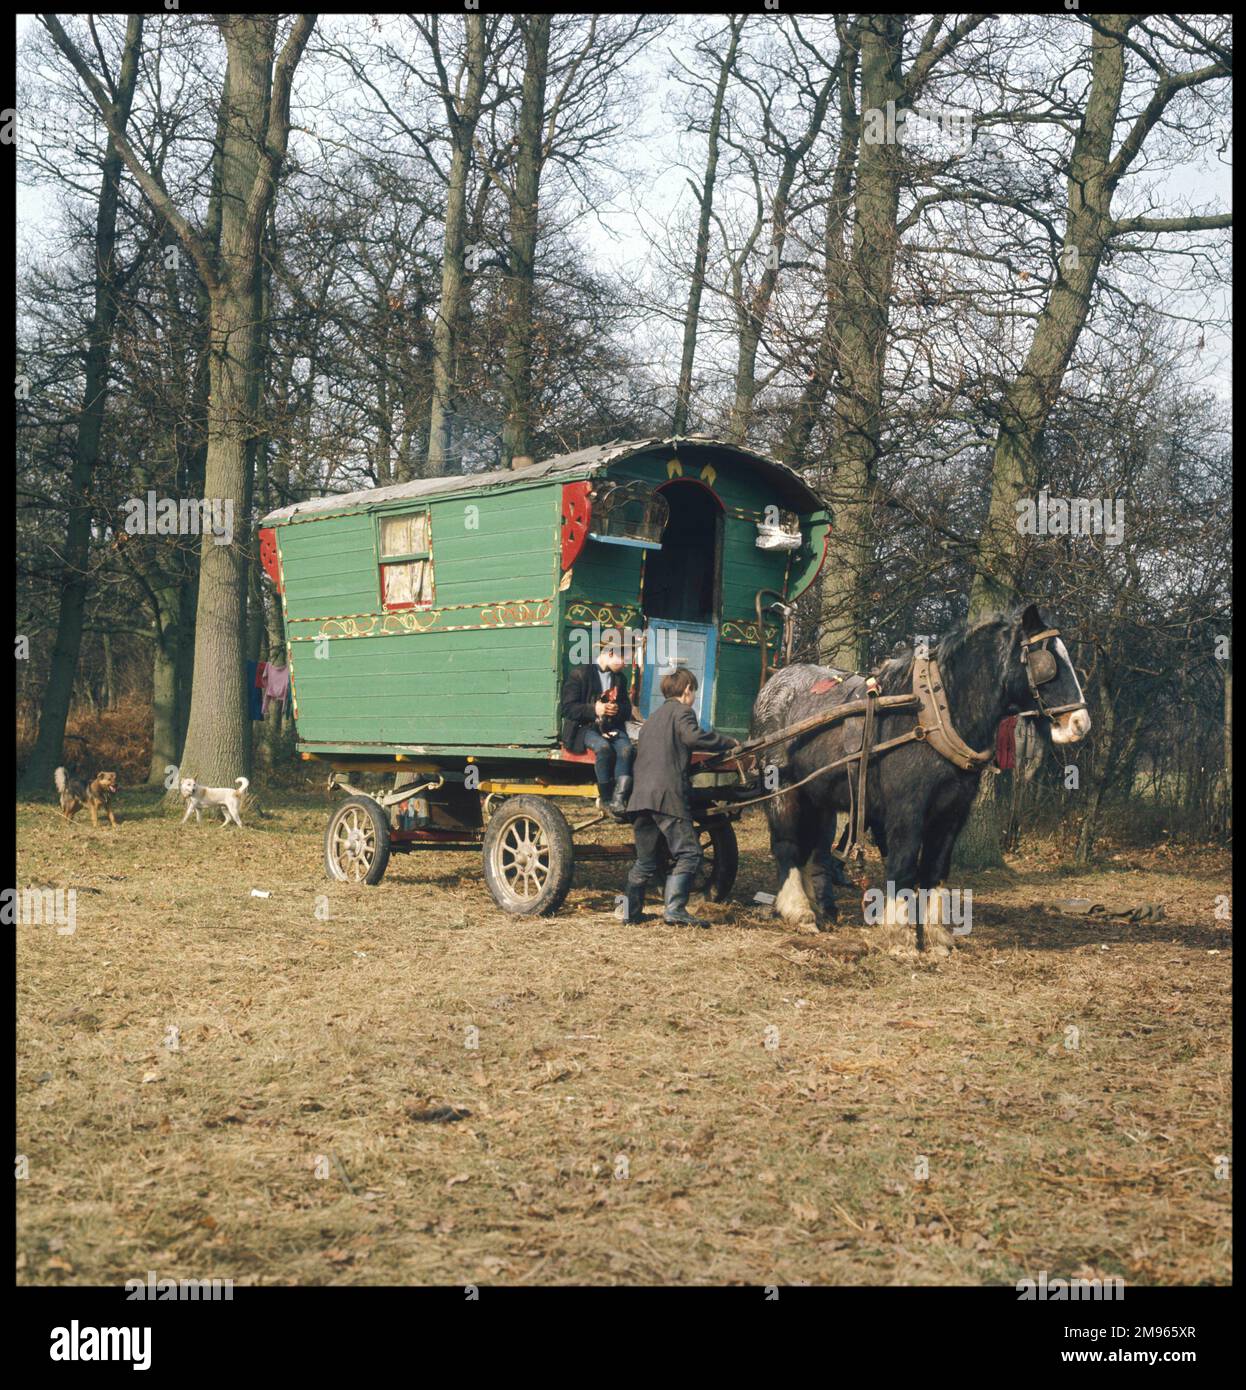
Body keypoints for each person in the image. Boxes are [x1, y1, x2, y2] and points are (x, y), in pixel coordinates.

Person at [618, 667, 739, 928]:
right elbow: (692, 736)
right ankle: (674, 910)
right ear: (687, 691)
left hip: (640, 798)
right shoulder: (682, 712)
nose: (693, 696)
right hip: (666, 796)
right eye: (693, 690)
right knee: (690, 853)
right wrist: (727, 742)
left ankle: (629, 913)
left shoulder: (651, 720)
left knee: (646, 861)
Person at [560, 634, 635, 820]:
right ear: (610, 653)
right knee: (603, 749)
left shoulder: (620, 679)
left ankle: (619, 800)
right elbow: (567, 708)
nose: (626, 664)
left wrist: (616, 709)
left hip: (610, 727)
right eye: (624, 659)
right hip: (584, 728)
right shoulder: (580, 674)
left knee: (626, 749)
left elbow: (626, 709)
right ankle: (606, 798)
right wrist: (594, 708)